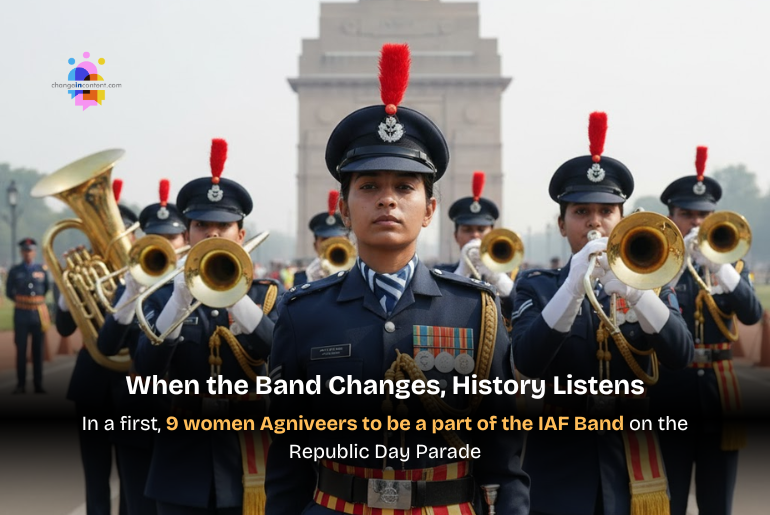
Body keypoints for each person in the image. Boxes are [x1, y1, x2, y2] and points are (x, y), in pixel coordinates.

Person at [265, 43, 530, 515]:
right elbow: (287, 458)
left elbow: (504, 458)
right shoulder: (303, 313)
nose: (387, 200)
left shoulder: (476, 311)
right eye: (368, 187)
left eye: (404, 187)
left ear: (428, 210)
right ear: (344, 209)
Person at [511, 112, 693, 515]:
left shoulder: (653, 279)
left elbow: (681, 354)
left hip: (632, 457)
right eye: (580, 212)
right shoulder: (537, 286)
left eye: (606, 211)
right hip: (560, 458)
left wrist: (639, 295)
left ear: (622, 220)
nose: (594, 221)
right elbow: (525, 361)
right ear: (561, 224)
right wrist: (571, 290)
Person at [135, 138, 283, 515]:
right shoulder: (162, 297)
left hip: (249, 456)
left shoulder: (267, 295)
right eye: (202, 225)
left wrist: (236, 297)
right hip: (182, 462)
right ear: (187, 236)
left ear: (241, 235)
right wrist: (178, 300)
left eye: (224, 225)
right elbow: (145, 370)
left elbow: (279, 354)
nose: (212, 234)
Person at [651, 146, 763, 515]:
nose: (696, 224)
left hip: (719, 389)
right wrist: (679, 263)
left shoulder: (731, 264)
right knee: (673, 499)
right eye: (687, 215)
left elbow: (750, 313)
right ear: (672, 216)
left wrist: (722, 268)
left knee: (718, 502)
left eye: (704, 215)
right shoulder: (656, 265)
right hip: (673, 388)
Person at [96, 179, 188, 515]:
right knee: (136, 506)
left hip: (183, 422)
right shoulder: (136, 283)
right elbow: (107, 345)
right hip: (138, 416)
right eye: (156, 240)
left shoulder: (201, 286)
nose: (165, 246)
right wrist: (129, 291)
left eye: (172, 239)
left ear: (186, 240)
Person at [58, 192, 138, 515]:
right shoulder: (85, 271)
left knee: (133, 478)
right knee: (96, 476)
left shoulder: (146, 274)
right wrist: (68, 286)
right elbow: (63, 328)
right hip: (92, 385)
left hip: (133, 386)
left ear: (132, 235)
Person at [6, 238, 50, 394]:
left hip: (38, 315)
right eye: (25, 250)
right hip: (21, 315)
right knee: (21, 350)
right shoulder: (15, 270)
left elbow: (45, 289)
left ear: (34, 252)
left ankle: (38, 384)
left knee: (38, 351)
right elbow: (9, 292)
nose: (28, 253)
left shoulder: (41, 269)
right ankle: (21, 384)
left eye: (30, 250)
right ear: (21, 252)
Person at [294, 189, 349, 286]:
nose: (331, 245)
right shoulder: (303, 279)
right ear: (315, 246)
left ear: (348, 243)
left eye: (338, 239)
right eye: (325, 240)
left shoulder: (362, 275)